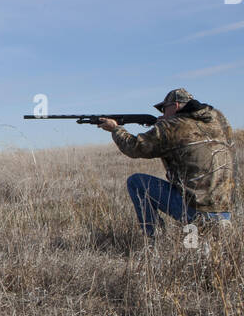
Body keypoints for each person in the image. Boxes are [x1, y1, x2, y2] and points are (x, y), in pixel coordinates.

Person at [96, 88, 234, 241]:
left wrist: (115, 129)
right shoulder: (219, 121)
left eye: (164, 109)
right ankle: (209, 231)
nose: (162, 113)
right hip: (224, 210)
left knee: (136, 182)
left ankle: (154, 239)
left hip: (196, 210)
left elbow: (135, 148)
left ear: (175, 106)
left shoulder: (172, 127)